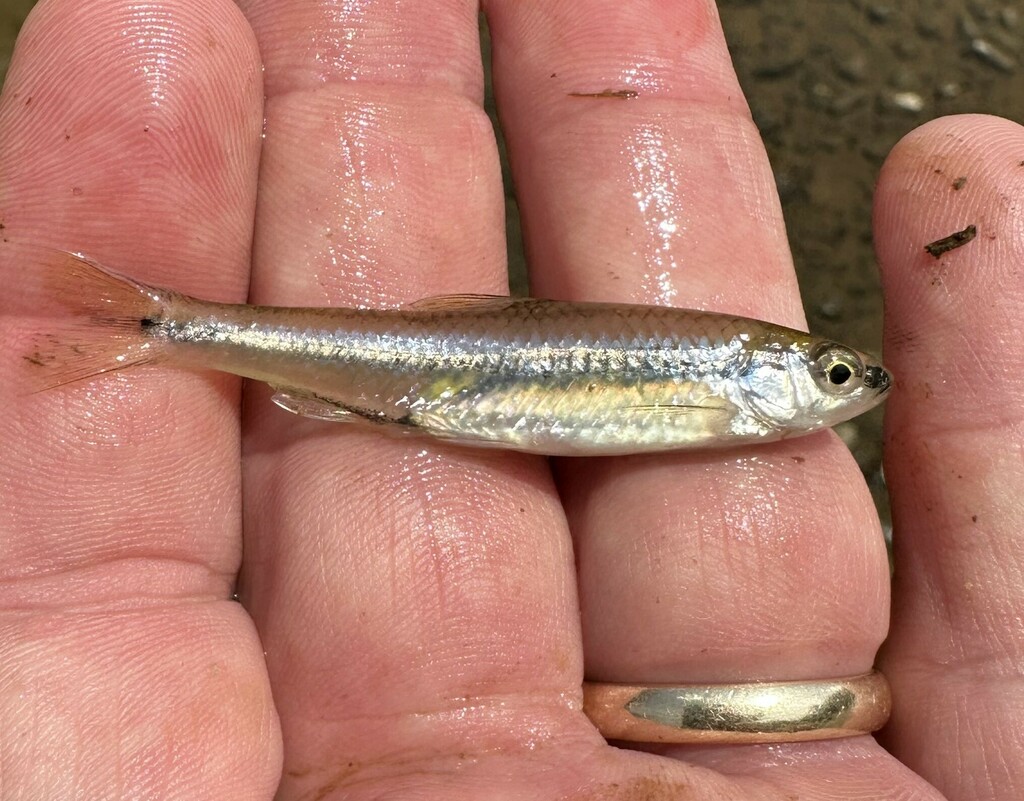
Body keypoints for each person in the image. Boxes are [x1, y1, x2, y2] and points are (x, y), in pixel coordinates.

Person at [0, 1, 1019, 799]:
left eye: (837, 375)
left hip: (426, 378)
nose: (847, 389)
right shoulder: (726, 375)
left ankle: (162, 329)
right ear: (759, 375)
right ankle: (162, 327)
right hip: (425, 373)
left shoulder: (728, 376)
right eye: (832, 374)